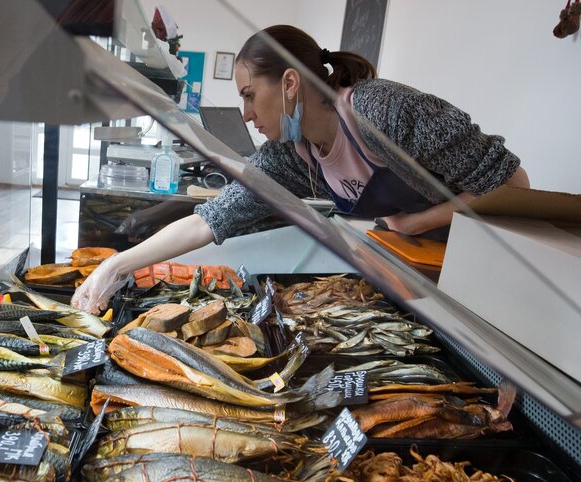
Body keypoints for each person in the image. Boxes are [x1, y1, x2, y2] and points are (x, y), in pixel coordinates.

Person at [72, 25, 529, 314]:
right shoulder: (292, 153)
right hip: (416, 272)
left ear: (290, 83)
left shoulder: (379, 110)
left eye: (250, 95)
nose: (247, 114)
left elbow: (512, 184)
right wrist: (118, 265)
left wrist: (419, 221)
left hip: (486, 265)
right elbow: (210, 219)